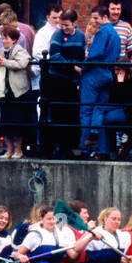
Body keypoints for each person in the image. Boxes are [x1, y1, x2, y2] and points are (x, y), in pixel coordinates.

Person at [80, 5, 121, 157]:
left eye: (96, 18)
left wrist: (83, 67)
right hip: (108, 73)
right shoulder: (115, 34)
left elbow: (95, 54)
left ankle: (85, 148)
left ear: (105, 18)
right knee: (100, 109)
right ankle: (100, 146)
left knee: (86, 110)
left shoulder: (102, 32)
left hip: (95, 73)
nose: (94, 21)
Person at [43, 9, 85, 157]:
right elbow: (55, 56)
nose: (64, 28)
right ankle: (57, 147)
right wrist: (73, 66)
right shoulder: (57, 35)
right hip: (58, 79)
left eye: (67, 25)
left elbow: (82, 55)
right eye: (62, 25)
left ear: (75, 23)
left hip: (72, 81)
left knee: (71, 114)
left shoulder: (80, 36)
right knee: (58, 113)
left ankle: (68, 147)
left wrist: (78, 67)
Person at [13, 205, 94, 263]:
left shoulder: (60, 234)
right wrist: (21, 257)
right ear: (41, 219)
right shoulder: (35, 234)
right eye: (49, 219)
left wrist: (88, 236)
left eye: (54, 219)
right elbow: (17, 254)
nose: (52, 222)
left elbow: (73, 255)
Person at [0, 24, 33, 159]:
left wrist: (4, 62)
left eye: (6, 38)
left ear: (14, 40)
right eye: (3, 38)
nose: (4, 41)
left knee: (19, 122)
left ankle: (18, 149)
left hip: (19, 92)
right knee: (6, 122)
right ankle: (9, 149)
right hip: (5, 91)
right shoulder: (0, 51)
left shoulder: (21, 51)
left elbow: (21, 64)